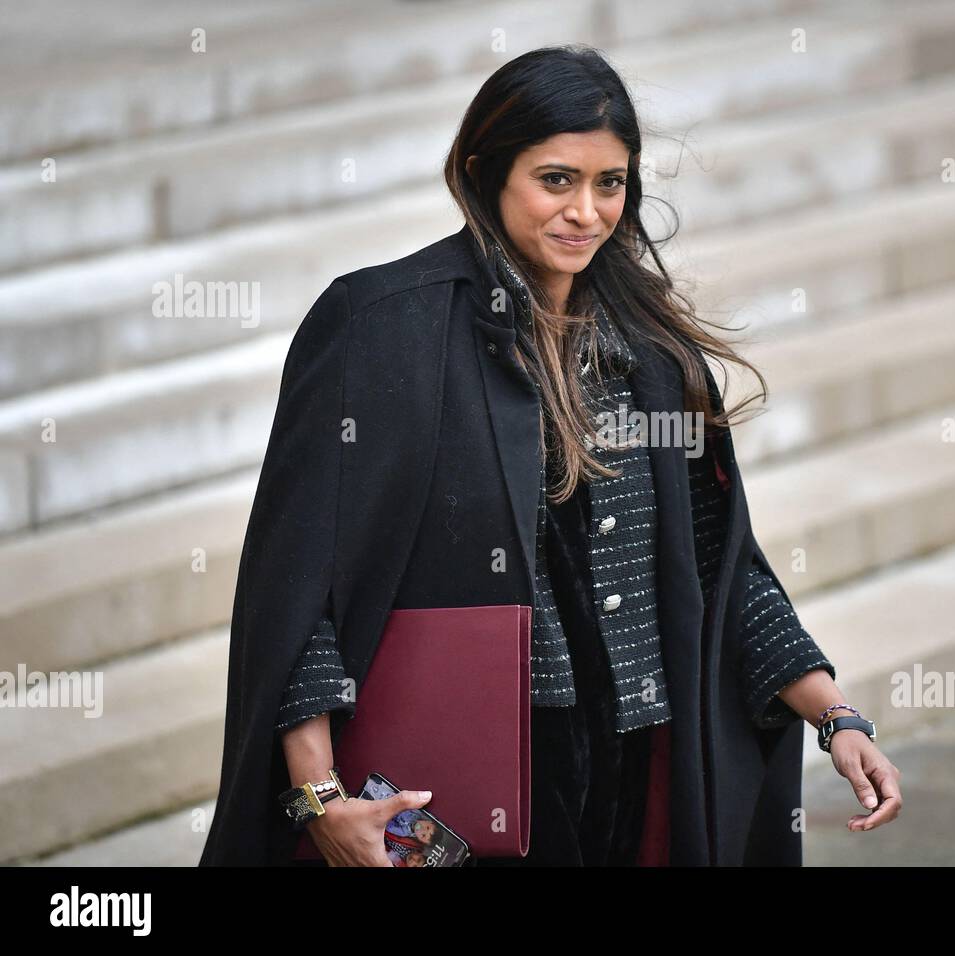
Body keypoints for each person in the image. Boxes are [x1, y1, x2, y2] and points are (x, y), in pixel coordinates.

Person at [199, 44, 900, 868]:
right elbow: (299, 585)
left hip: (637, 768)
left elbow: (719, 568)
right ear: (483, 173)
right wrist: (320, 797)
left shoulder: (653, 357)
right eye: (556, 179)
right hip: (445, 793)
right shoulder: (380, 327)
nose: (588, 212)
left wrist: (836, 717)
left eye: (610, 183)